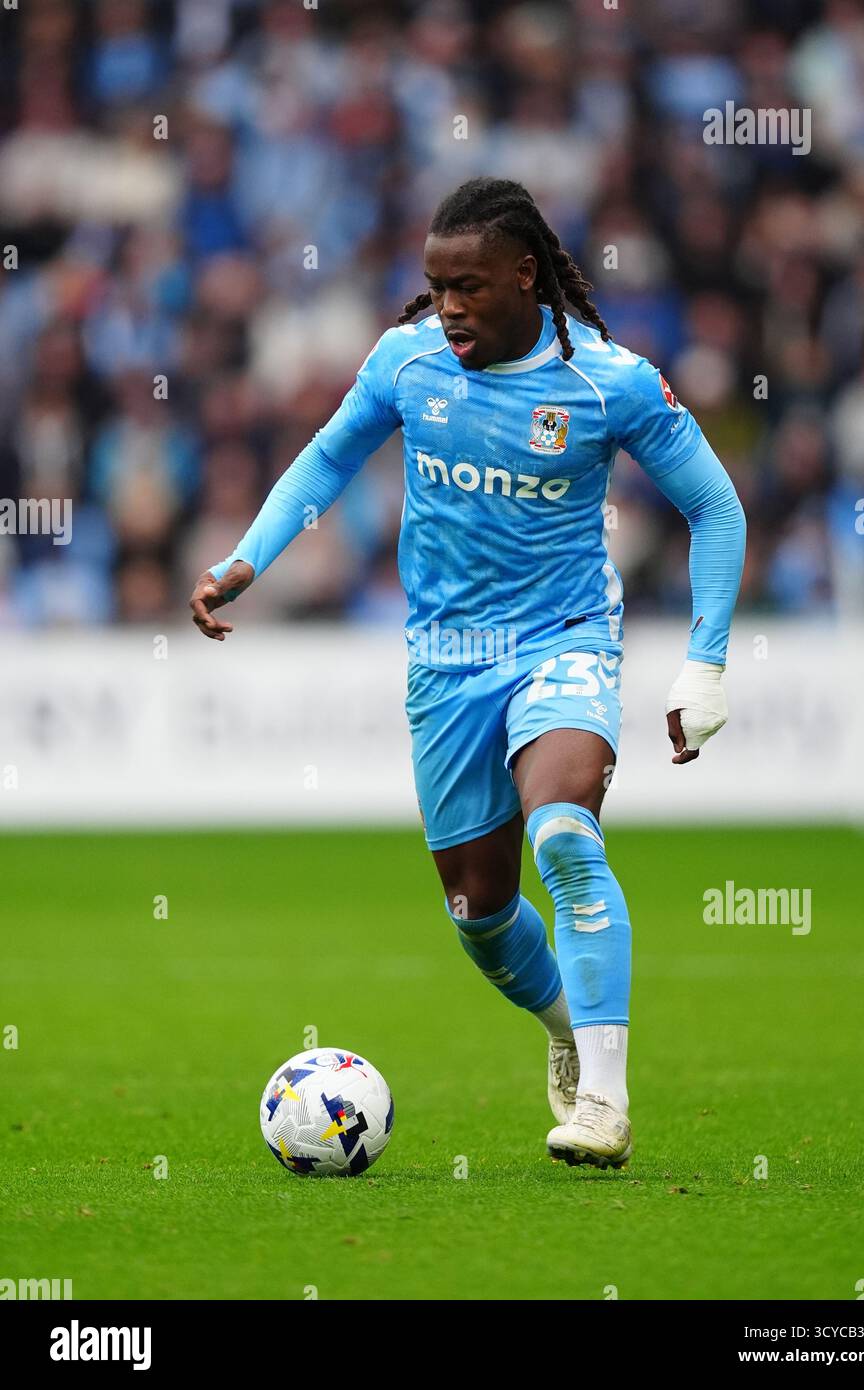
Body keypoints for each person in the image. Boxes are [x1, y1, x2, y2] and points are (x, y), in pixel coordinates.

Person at [190, 177, 746, 1169]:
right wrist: (245, 560)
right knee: (479, 913)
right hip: (444, 662)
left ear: (524, 276)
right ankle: (566, 1028)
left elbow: (714, 506)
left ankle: (604, 1104)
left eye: (469, 286)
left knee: (565, 834)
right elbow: (325, 459)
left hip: (561, 640)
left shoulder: (605, 383)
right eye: (436, 286)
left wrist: (702, 661)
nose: (448, 307)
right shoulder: (406, 362)